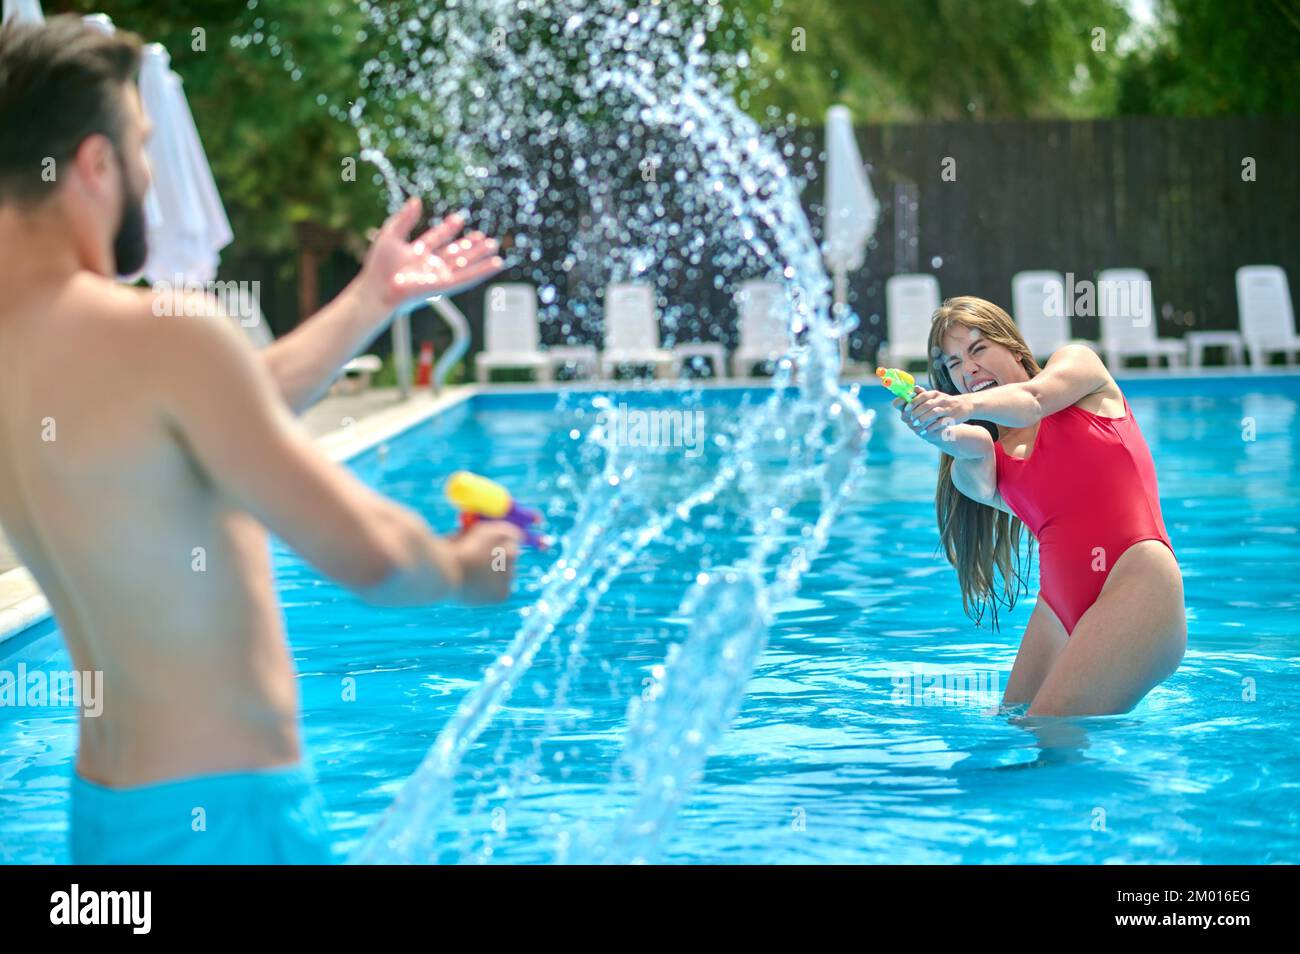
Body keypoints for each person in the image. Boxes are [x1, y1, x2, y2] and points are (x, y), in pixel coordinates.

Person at [0, 15, 520, 863]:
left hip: (105, 831)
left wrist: (368, 301)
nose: (149, 172)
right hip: (233, 823)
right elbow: (371, 556)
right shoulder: (159, 338)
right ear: (94, 165)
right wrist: (468, 568)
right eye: (141, 144)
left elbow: (205, 417)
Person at [894, 296, 1186, 717]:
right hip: (1058, 612)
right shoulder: (985, 464)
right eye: (953, 364)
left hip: (1139, 584)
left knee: (1047, 731)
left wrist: (963, 405)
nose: (967, 369)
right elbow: (968, 447)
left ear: (1013, 345)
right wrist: (937, 429)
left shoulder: (1078, 369)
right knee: (1012, 723)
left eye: (977, 349)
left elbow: (1033, 399)